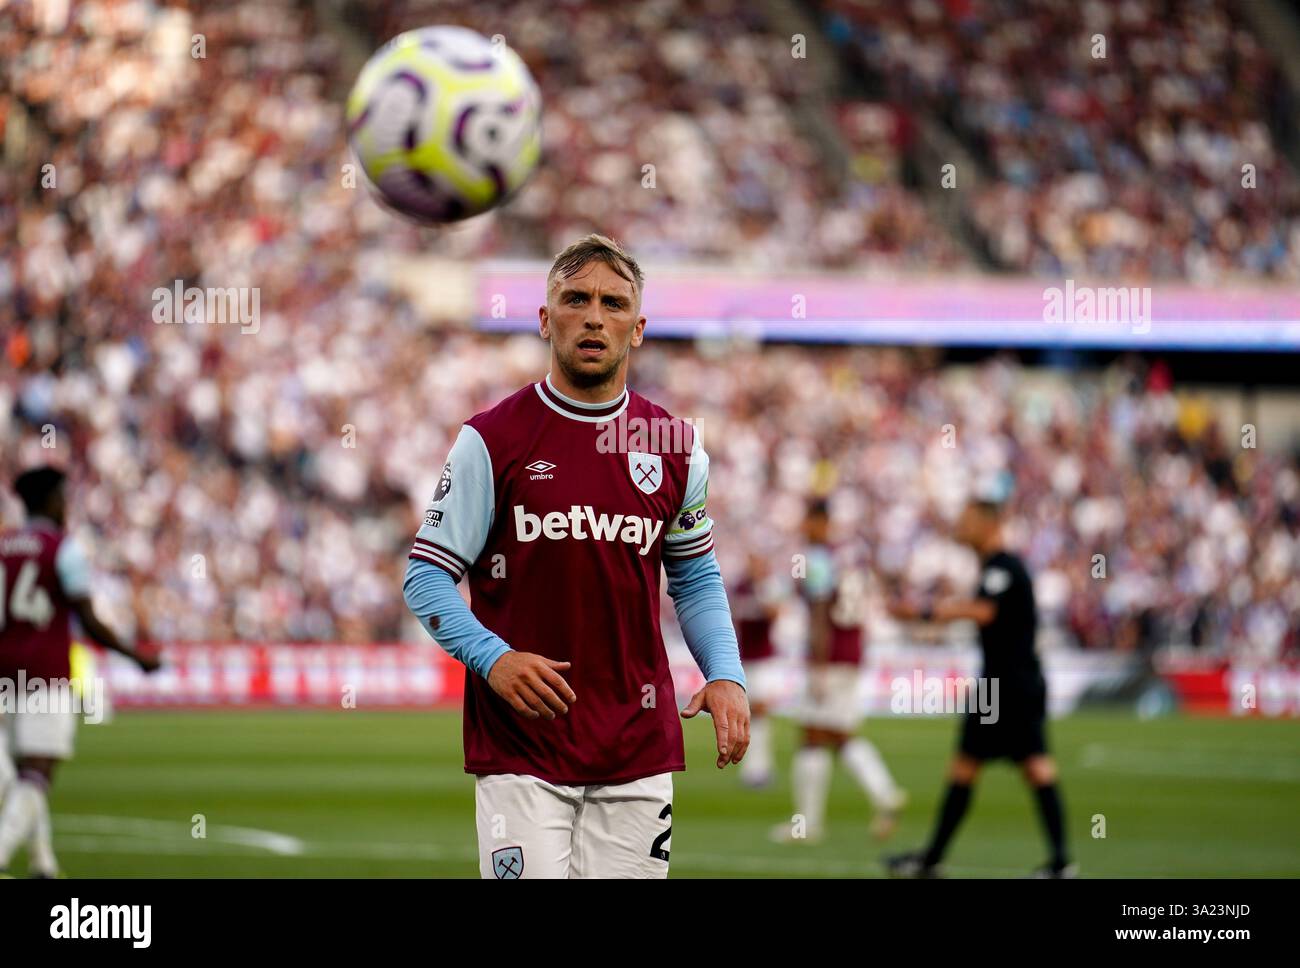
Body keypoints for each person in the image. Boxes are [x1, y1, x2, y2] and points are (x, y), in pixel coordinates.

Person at [402, 234, 749, 878]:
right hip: (522, 746)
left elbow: (695, 576)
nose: (594, 316)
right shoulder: (492, 439)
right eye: (575, 299)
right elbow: (426, 579)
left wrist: (725, 673)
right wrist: (493, 659)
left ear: (638, 328)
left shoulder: (675, 446)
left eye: (614, 304)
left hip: (637, 747)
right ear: (544, 319)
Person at [885, 498, 1075, 878]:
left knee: (1033, 766)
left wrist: (925, 612)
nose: (961, 527)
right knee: (968, 766)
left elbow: (985, 611)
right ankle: (932, 859)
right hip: (997, 686)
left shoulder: (1004, 567)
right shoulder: (993, 568)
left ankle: (1060, 863)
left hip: (1011, 687)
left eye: (968, 521)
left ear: (989, 524)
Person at [0, 466, 159, 877]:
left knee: (22, 773)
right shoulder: (62, 548)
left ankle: (42, 862)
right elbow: (86, 617)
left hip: (4, 672)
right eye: (62, 496)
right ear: (51, 501)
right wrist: (135, 656)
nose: (66, 504)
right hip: (44, 673)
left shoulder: (3, 547)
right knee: (37, 773)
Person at [772, 500, 905, 844]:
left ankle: (808, 825)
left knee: (813, 737)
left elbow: (819, 612)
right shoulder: (850, 557)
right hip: (851, 652)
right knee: (840, 734)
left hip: (829, 657)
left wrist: (816, 663)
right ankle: (885, 794)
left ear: (821, 521)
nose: (803, 527)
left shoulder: (817, 558)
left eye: (808, 520)